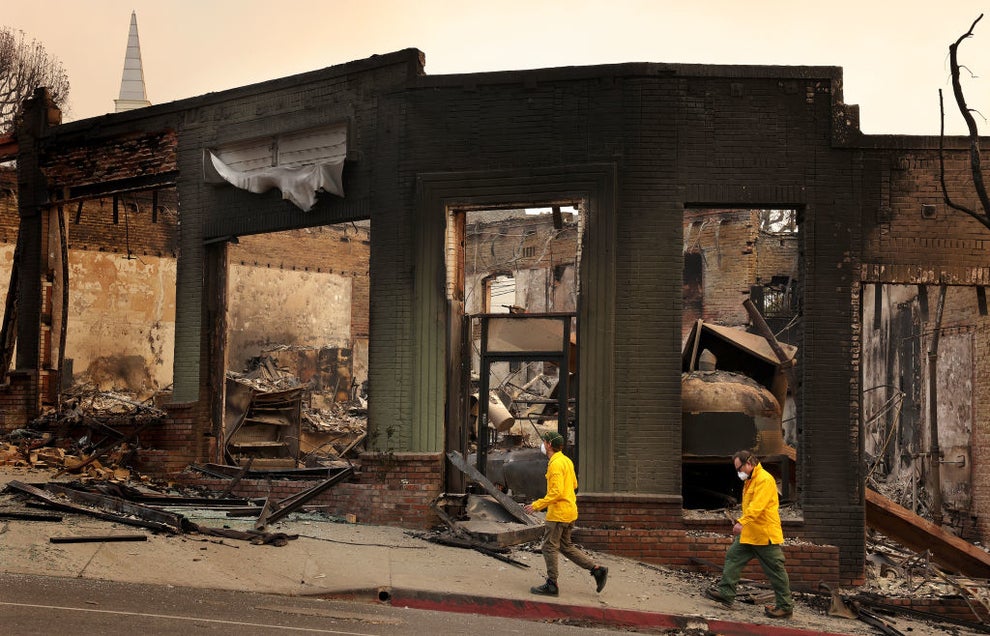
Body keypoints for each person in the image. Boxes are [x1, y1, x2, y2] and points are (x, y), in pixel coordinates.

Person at [705, 450, 794, 619]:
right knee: (733, 557)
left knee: (776, 571)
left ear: (749, 464)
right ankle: (726, 594)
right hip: (751, 534)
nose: (739, 472)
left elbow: (757, 507)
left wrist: (741, 522)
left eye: (740, 469)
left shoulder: (764, 480)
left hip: (764, 535)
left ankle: (785, 607)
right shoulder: (752, 479)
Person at [524, 431, 608, 597]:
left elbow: (556, 492)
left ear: (548, 444)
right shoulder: (566, 461)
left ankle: (552, 584)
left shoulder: (555, 464)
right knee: (565, 546)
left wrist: (537, 505)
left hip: (558, 515)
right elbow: (574, 483)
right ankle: (597, 570)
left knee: (549, 546)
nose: (543, 444)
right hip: (570, 511)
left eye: (544, 441)